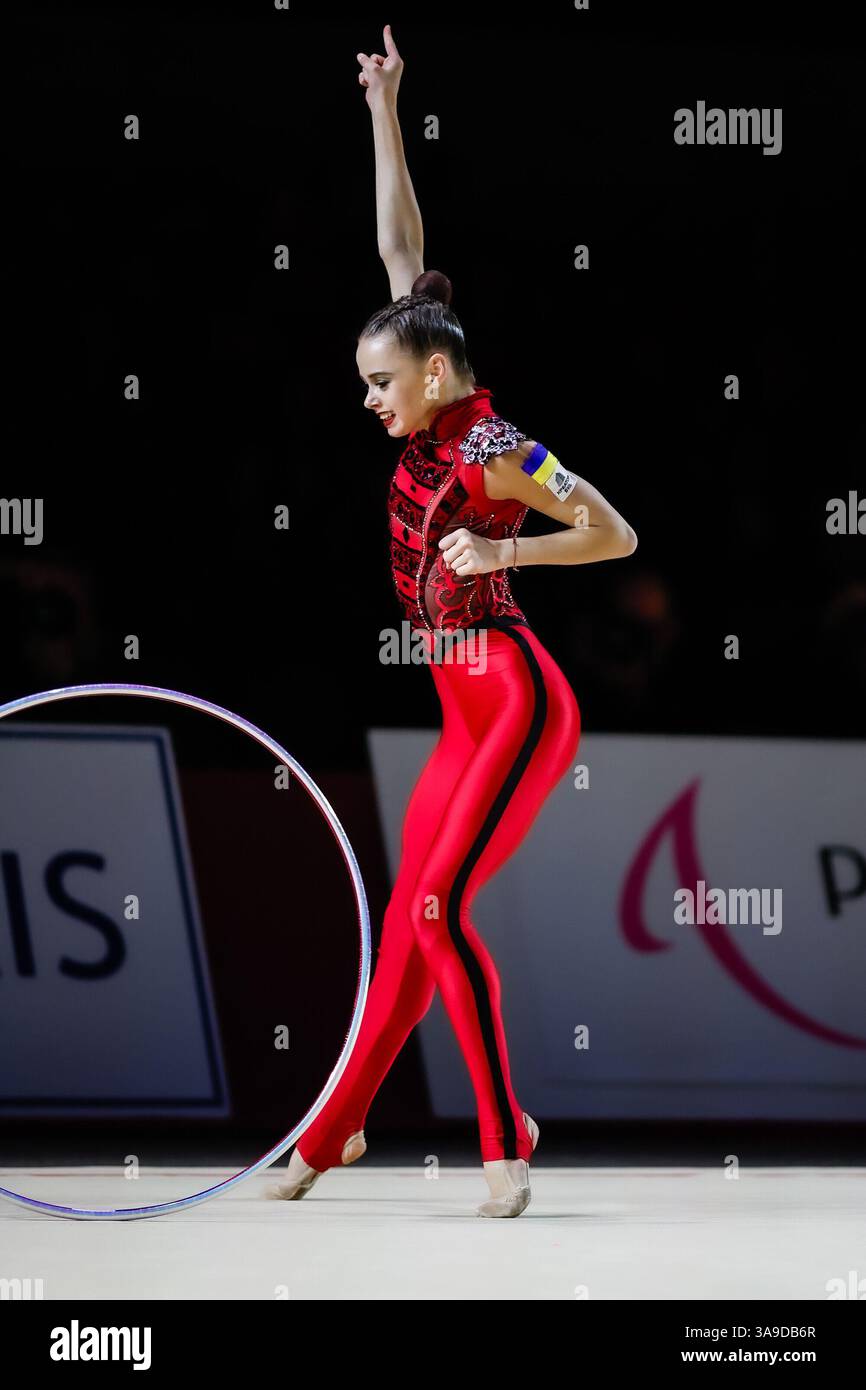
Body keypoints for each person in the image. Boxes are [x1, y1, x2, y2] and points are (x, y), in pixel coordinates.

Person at [268, 24, 637, 1218]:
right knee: (406, 918)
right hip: (455, 707)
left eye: (381, 382)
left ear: (430, 375)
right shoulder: (431, 402)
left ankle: (502, 1144)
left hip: (519, 701)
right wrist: (384, 106)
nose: (370, 400)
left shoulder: (485, 443)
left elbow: (615, 533)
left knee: (440, 910)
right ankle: (331, 1136)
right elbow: (399, 242)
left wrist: (506, 543)